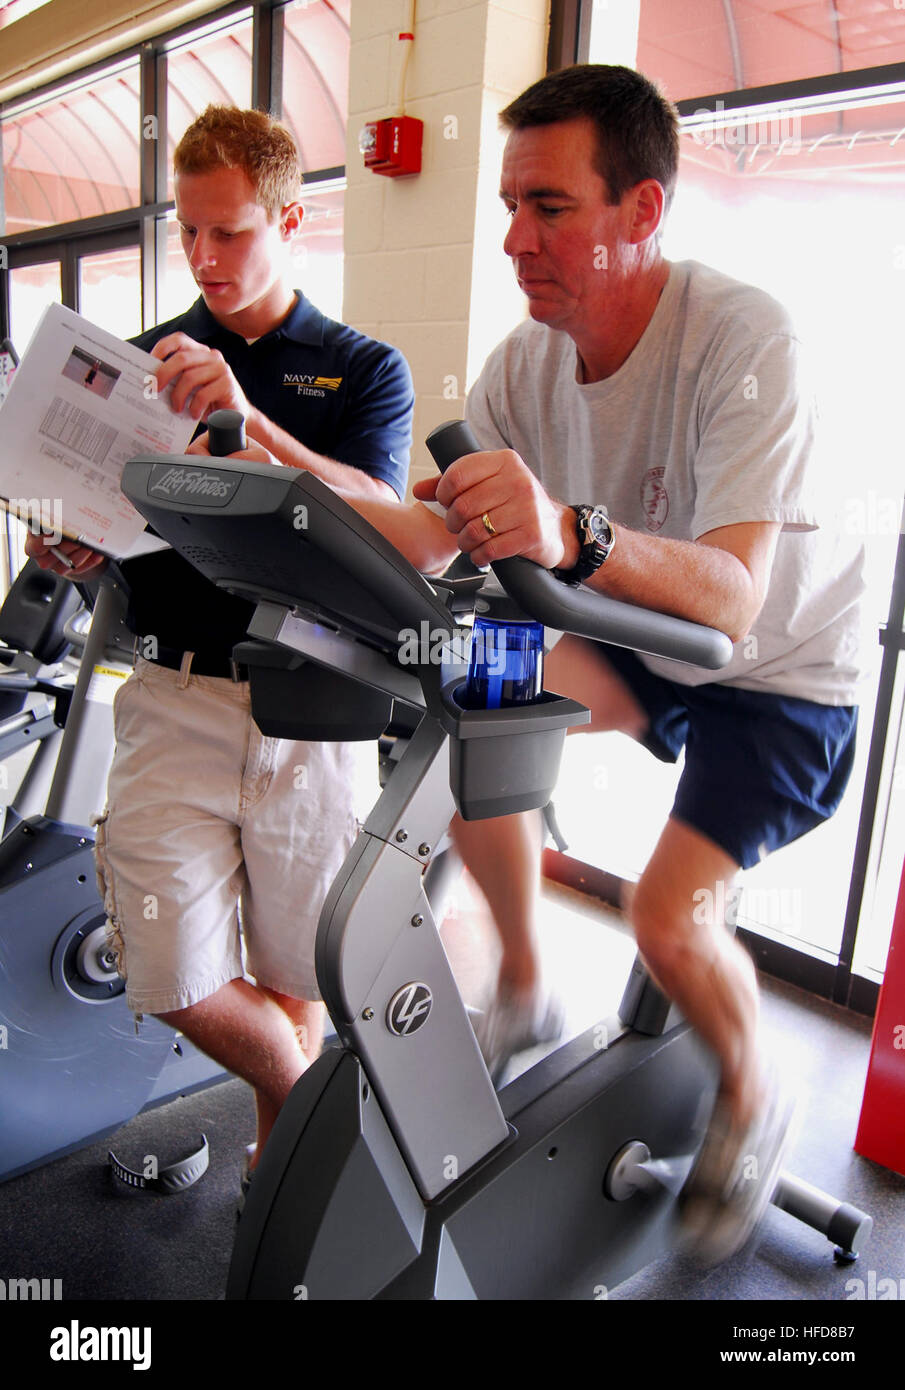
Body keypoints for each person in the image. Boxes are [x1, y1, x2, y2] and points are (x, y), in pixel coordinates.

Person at [404, 63, 862, 1261]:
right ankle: (524, 979)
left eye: (547, 208)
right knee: (480, 718)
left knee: (667, 916)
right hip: (650, 644)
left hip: (779, 676)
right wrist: (296, 492)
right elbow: (433, 531)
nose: (513, 239)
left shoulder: (743, 336)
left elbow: (731, 593)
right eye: (508, 205)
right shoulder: (520, 364)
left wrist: (570, 532)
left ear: (641, 211)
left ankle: (756, 1091)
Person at [25, 105, 413, 1187]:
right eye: (189, 232)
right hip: (172, 695)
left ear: (290, 217)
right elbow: (118, 535)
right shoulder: (148, 357)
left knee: (293, 973)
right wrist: (74, 548)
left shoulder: (360, 368)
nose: (204, 256)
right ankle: (300, 1108)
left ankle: (271, 1177)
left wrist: (253, 422)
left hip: (312, 704)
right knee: (171, 971)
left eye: (230, 232)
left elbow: (385, 515)